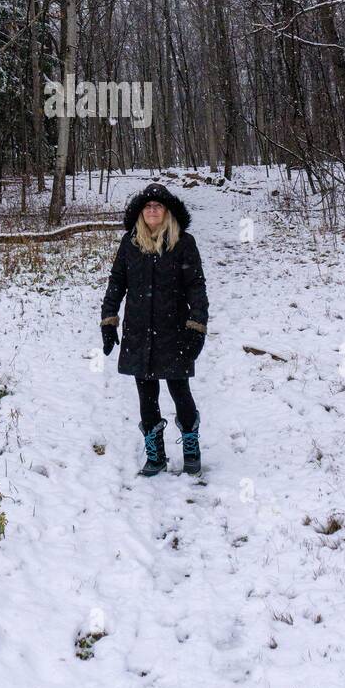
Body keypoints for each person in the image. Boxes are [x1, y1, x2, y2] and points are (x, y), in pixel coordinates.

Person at [100, 182, 209, 476]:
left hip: (174, 331)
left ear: (167, 212)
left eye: (158, 206)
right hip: (138, 331)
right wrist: (109, 319)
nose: (152, 210)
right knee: (146, 395)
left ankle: (190, 446)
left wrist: (196, 327)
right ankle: (156, 454)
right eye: (147, 207)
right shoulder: (130, 243)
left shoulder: (184, 243)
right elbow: (116, 283)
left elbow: (196, 289)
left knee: (179, 391)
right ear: (140, 212)